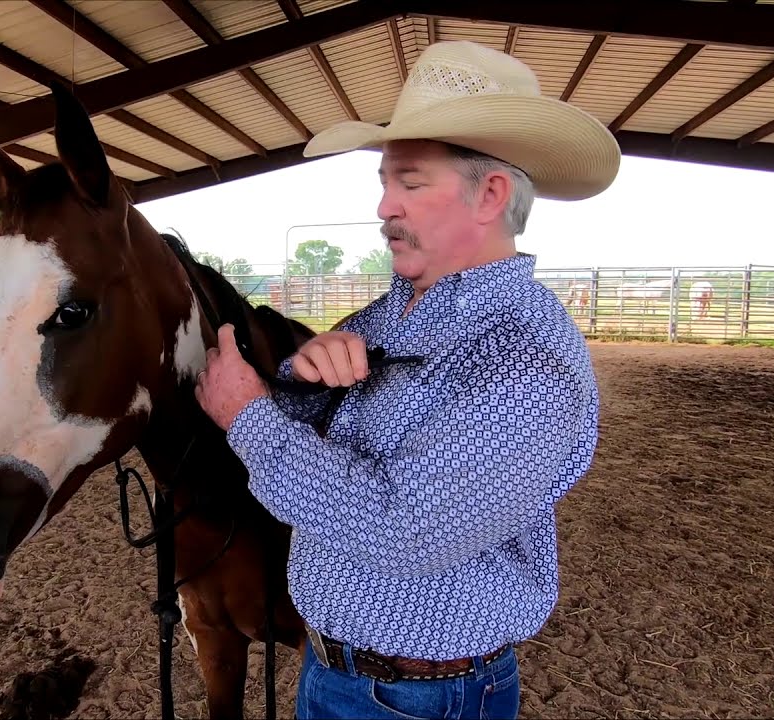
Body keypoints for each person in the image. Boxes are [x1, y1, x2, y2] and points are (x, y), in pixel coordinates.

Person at [194, 40, 620, 720]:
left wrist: (247, 416)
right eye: (384, 182)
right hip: (338, 670)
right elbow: (309, 418)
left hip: (420, 696)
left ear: (491, 194)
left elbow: (405, 530)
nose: (384, 206)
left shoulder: (526, 362)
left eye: (410, 183)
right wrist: (304, 376)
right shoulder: (388, 314)